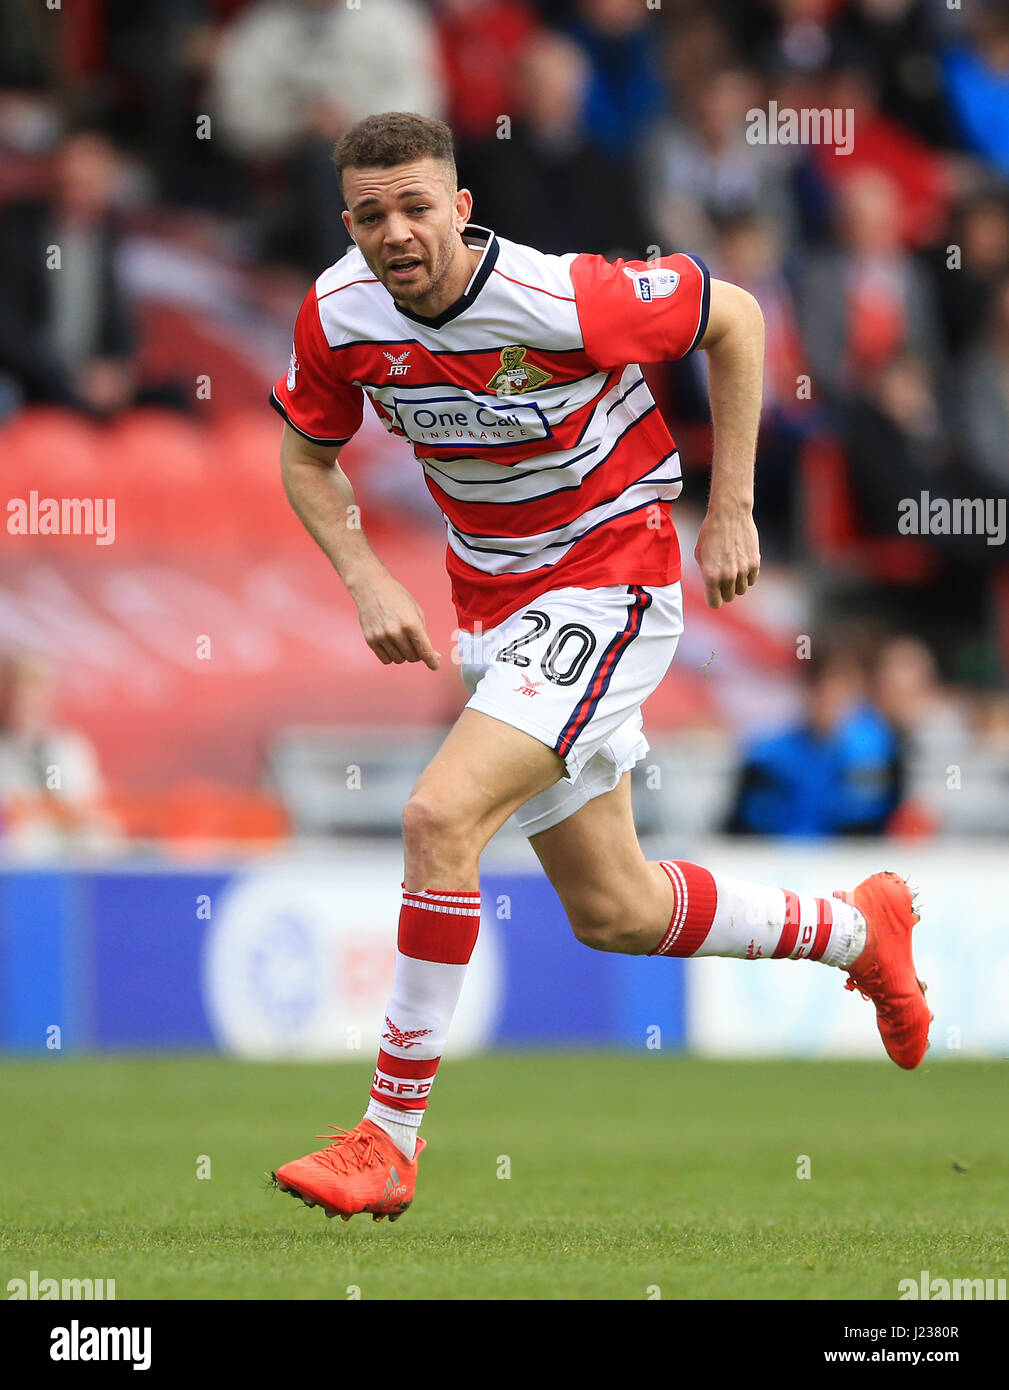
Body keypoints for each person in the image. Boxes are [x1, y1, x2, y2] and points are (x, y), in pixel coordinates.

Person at [270, 112, 932, 1225]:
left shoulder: (561, 295)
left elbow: (738, 315)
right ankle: (860, 931)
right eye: (371, 213)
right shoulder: (338, 314)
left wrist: (730, 509)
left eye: (416, 206)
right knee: (616, 909)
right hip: (495, 605)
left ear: (460, 208)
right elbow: (303, 453)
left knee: (439, 817)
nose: (395, 232)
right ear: (350, 221)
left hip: (611, 574)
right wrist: (365, 579)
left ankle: (387, 1138)